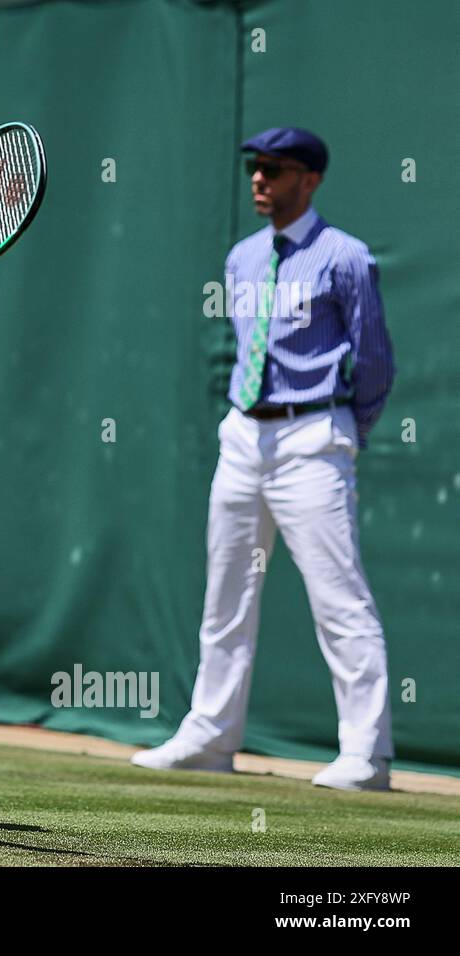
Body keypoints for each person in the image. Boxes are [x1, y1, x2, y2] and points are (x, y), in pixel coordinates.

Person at [131, 127, 396, 791]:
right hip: (243, 438)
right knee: (224, 596)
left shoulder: (347, 258)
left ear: (309, 180)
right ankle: (210, 737)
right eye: (255, 168)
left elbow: (374, 362)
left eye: (274, 170)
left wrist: (341, 429)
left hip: (313, 440)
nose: (259, 180)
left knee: (340, 600)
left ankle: (366, 754)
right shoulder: (243, 258)